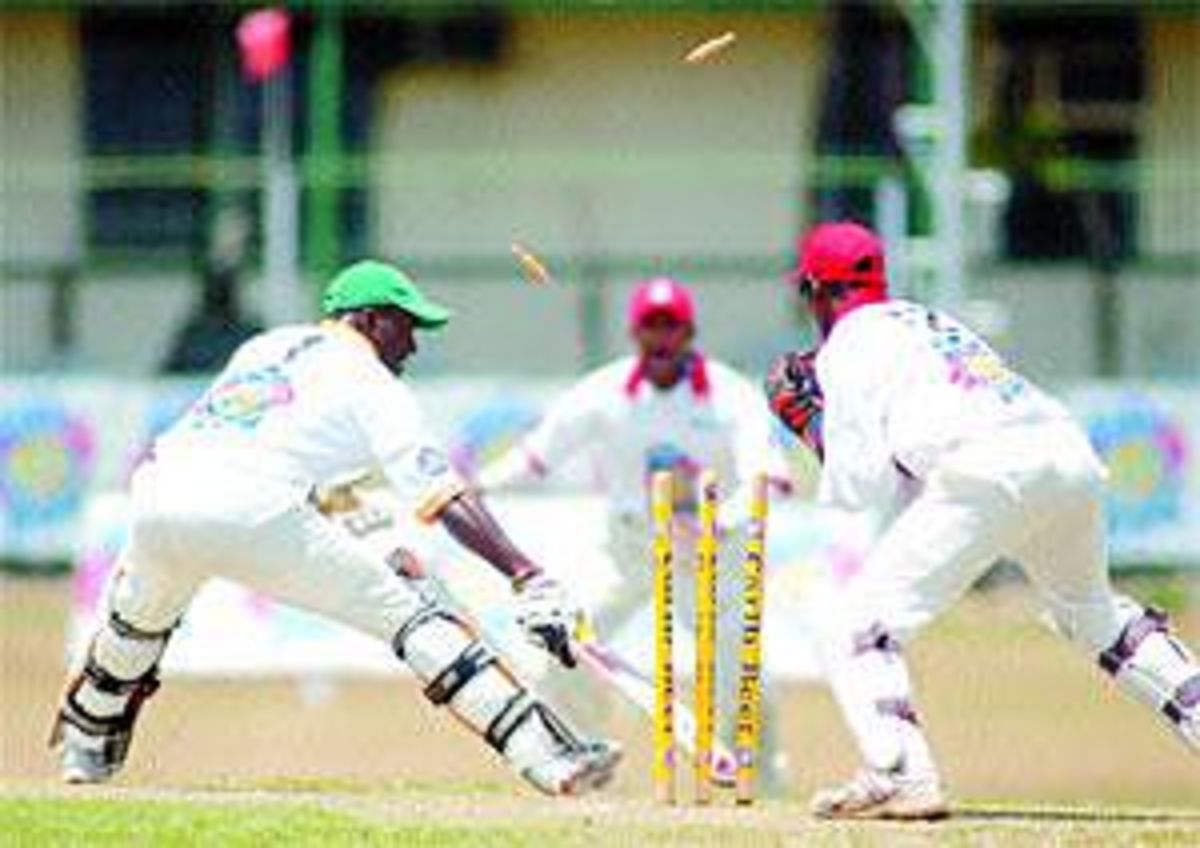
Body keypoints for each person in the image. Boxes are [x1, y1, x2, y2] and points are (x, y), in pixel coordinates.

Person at [49, 259, 622, 796]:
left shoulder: (266, 346)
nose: (414, 343)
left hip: (158, 496)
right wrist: (525, 575)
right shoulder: (371, 380)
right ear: (369, 320)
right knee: (415, 614)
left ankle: (83, 752)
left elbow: (267, 440)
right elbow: (442, 495)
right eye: (406, 325)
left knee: (135, 628)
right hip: (253, 509)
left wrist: (339, 510)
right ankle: (548, 757)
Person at [765, 221, 1200, 820]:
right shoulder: (926, 321)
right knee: (1095, 615)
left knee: (856, 626)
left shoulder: (848, 346)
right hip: (1065, 452)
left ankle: (901, 772)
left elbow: (861, 486)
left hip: (990, 470)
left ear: (815, 289)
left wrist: (807, 421)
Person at [477, 276, 794, 789]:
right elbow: (538, 456)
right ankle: (579, 760)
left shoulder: (728, 394)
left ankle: (758, 783)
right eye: (651, 326)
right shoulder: (605, 391)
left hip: (707, 551)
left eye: (671, 326)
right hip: (628, 545)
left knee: (738, 670)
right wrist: (474, 487)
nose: (661, 338)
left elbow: (770, 476)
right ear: (635, 332)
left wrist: (723, 522)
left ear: (689, 332)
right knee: (562, 643)